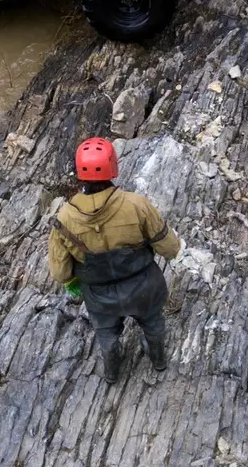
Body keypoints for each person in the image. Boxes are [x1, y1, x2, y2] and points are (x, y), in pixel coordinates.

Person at [47, 137, 184, 384]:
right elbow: (170, 248)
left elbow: (61, 273)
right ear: (113, 166)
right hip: (144, 286)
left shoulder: (64, 218)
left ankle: (112, 372)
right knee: (153, 323)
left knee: (106, 334)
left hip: (99, 296)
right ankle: (158, 360)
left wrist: (74, 281)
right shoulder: (136, 204)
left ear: (79, 172)